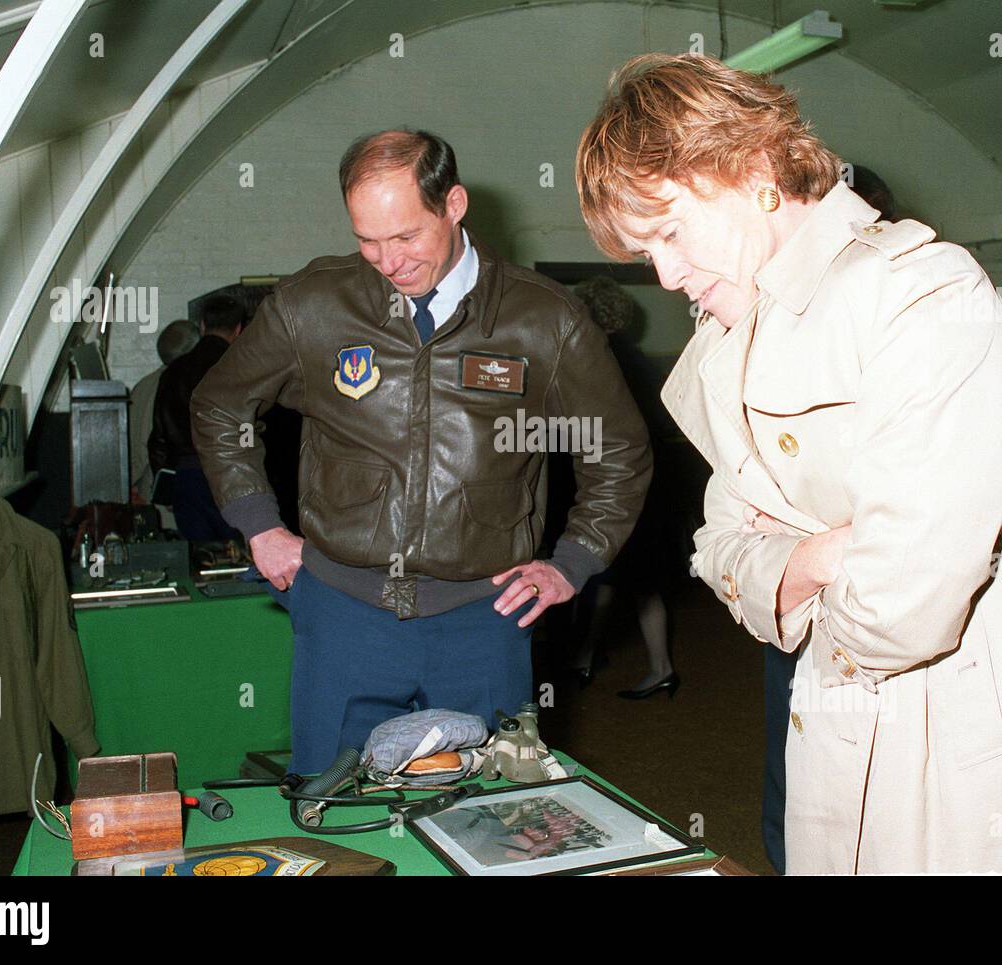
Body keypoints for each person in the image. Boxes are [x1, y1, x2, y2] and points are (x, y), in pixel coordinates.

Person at [575, 53, 1002, 873]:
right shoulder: (729, 339)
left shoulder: (924, 295)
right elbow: (717, 547)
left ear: (754, 168)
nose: (664, 273)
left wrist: (792, 567)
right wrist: (822, 555)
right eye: (643, 251)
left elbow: (902, 601)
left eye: (670, 232)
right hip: (848, 713)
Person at [192, 129, 651, 776]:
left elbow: (617, 449)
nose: (388, 260)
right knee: (329, 804)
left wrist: (573, 561)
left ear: (454, 204)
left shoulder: (544, 319)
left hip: (483, 619)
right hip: (343, 614)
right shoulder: (314, 304)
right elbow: (221, 404)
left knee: (494, 812)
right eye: (368, 241)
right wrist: (258, 524)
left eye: (406, 237)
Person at [569, 276, 678, 698]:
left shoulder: (598, 361)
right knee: (641, 583)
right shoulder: (640, 361)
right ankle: (660, 667)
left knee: (604, 576)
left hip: (624, 491)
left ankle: (583, 658)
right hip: (652, 487)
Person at [149, 295, 246, 540]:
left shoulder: (174, 372)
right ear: (238, 329)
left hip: (187, 476)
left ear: (202, 325)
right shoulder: (244, 368)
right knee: (240, 557)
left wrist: (169, 486)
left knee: (199, 558)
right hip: (232, 474)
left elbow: (159, 436)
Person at [129, 318, 198, 502]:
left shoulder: (143, 386)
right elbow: (146, 447)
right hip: (164, 492)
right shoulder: (175, 388)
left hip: (148, 491)